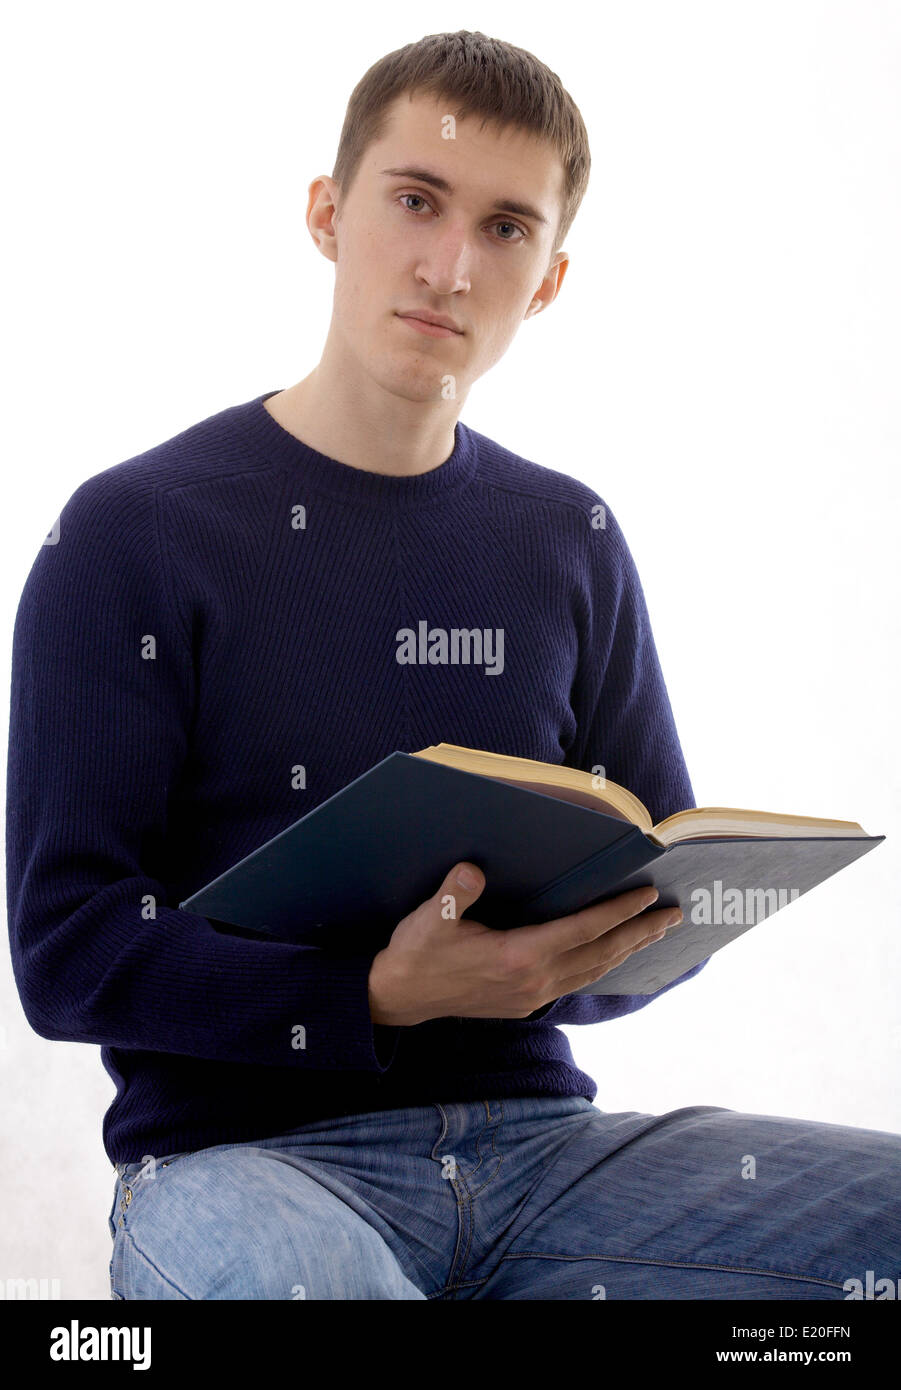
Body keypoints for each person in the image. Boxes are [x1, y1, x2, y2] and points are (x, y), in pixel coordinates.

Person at [7, 29, 899, 1302]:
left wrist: (607, 944)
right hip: (245, 1160)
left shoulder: (565, 537)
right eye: (416, 201)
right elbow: (67, 945)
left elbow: (653, 865)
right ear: (328, 212)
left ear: (548, 278)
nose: (449, 266)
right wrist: (371, 992)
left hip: (541, 1152)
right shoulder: (131, 533)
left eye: (504, 229)